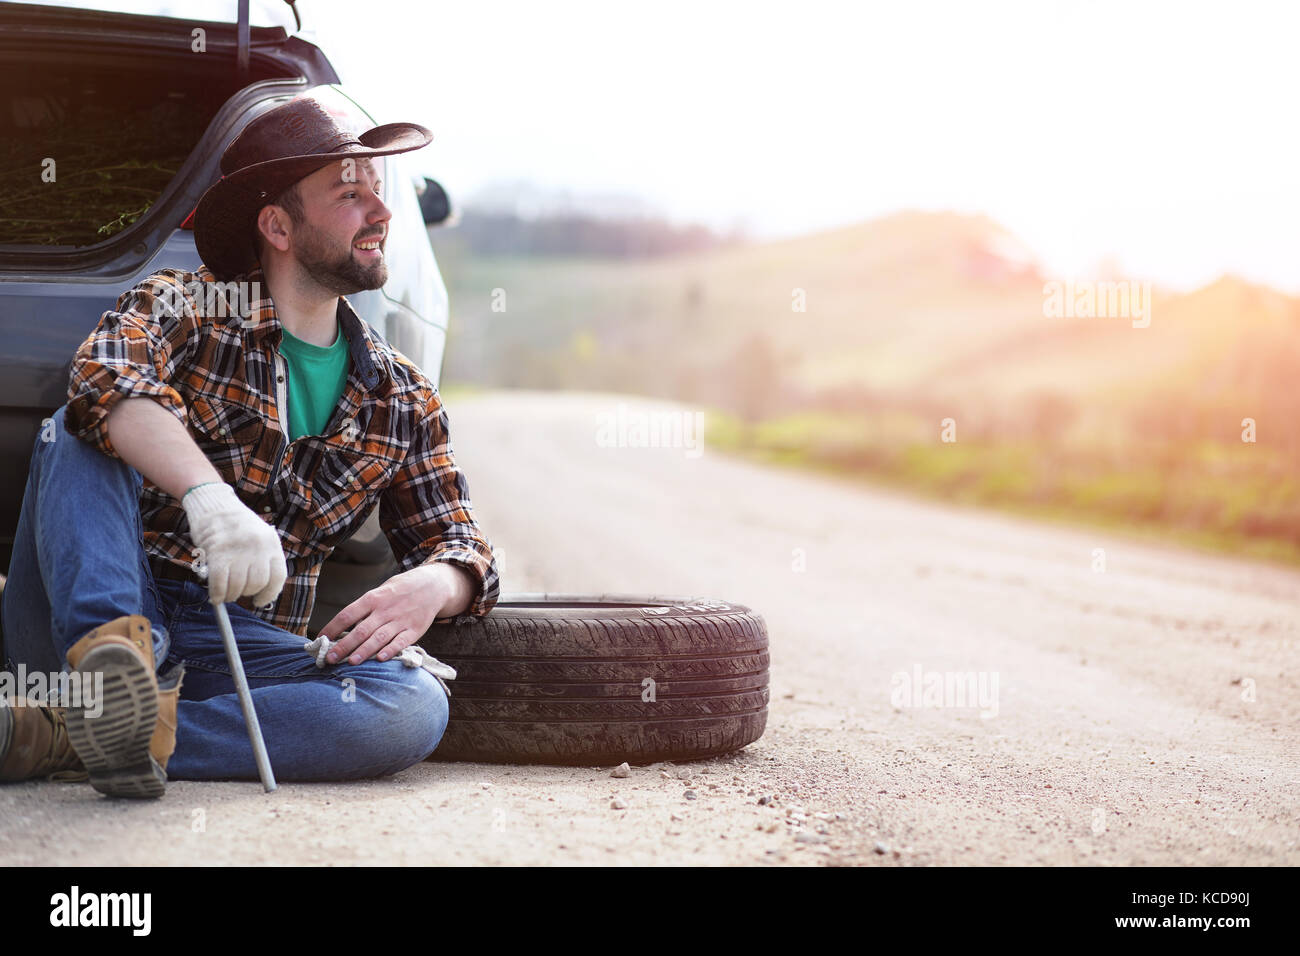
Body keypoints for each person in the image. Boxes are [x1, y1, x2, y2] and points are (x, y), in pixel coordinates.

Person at [0, 93, 500, 798]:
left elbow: (460, 542)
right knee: (78, 428)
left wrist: (435, 585)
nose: (381, 213)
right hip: (87, 613)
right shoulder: (186, 307)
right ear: (277, 224)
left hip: (230, 645)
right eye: (349, 192)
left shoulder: (401, 396)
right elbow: (103, 378)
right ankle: (107, 687)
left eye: (378, 193)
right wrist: (210, 501)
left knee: (409, 705)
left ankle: (87, 734)